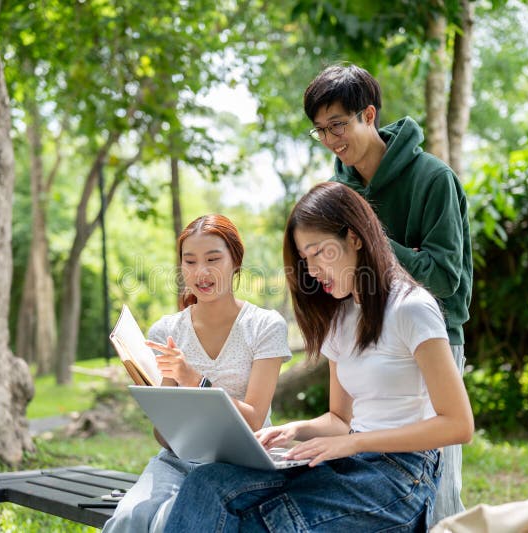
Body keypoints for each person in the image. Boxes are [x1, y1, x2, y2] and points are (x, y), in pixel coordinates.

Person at [163, 182, 474, 532]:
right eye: (305, 258)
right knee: (207, 483)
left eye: (319, 253)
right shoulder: (340, 316)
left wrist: (353, 442)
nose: (311, 270)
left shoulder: (412, 308)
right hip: (349, 460)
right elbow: (339, 419)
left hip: (402, 475)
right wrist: (293, 429)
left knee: (264, 524)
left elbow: (458, 425)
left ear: (354, 238)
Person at [303, 63, 473, 522]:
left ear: (369, 115)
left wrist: (370, 237)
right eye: (320, 130)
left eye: (338, 124)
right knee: (370, 482)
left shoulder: (433, 179)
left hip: (430, 339)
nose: (331, 139)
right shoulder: (339, 190)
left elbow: (444, 278)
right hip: (365, 340)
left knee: (437, 491)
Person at [102, 214, 292, 533]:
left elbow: (255, 420)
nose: (200, 272)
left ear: (235, 261)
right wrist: (158, 403)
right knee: (129, 517)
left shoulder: (265, 326)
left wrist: (194, 381)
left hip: (242, 464)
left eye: (213, 259)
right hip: (177, 461)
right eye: (190, 261)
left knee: (168, 521)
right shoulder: (166, 331)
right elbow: (164, 438)